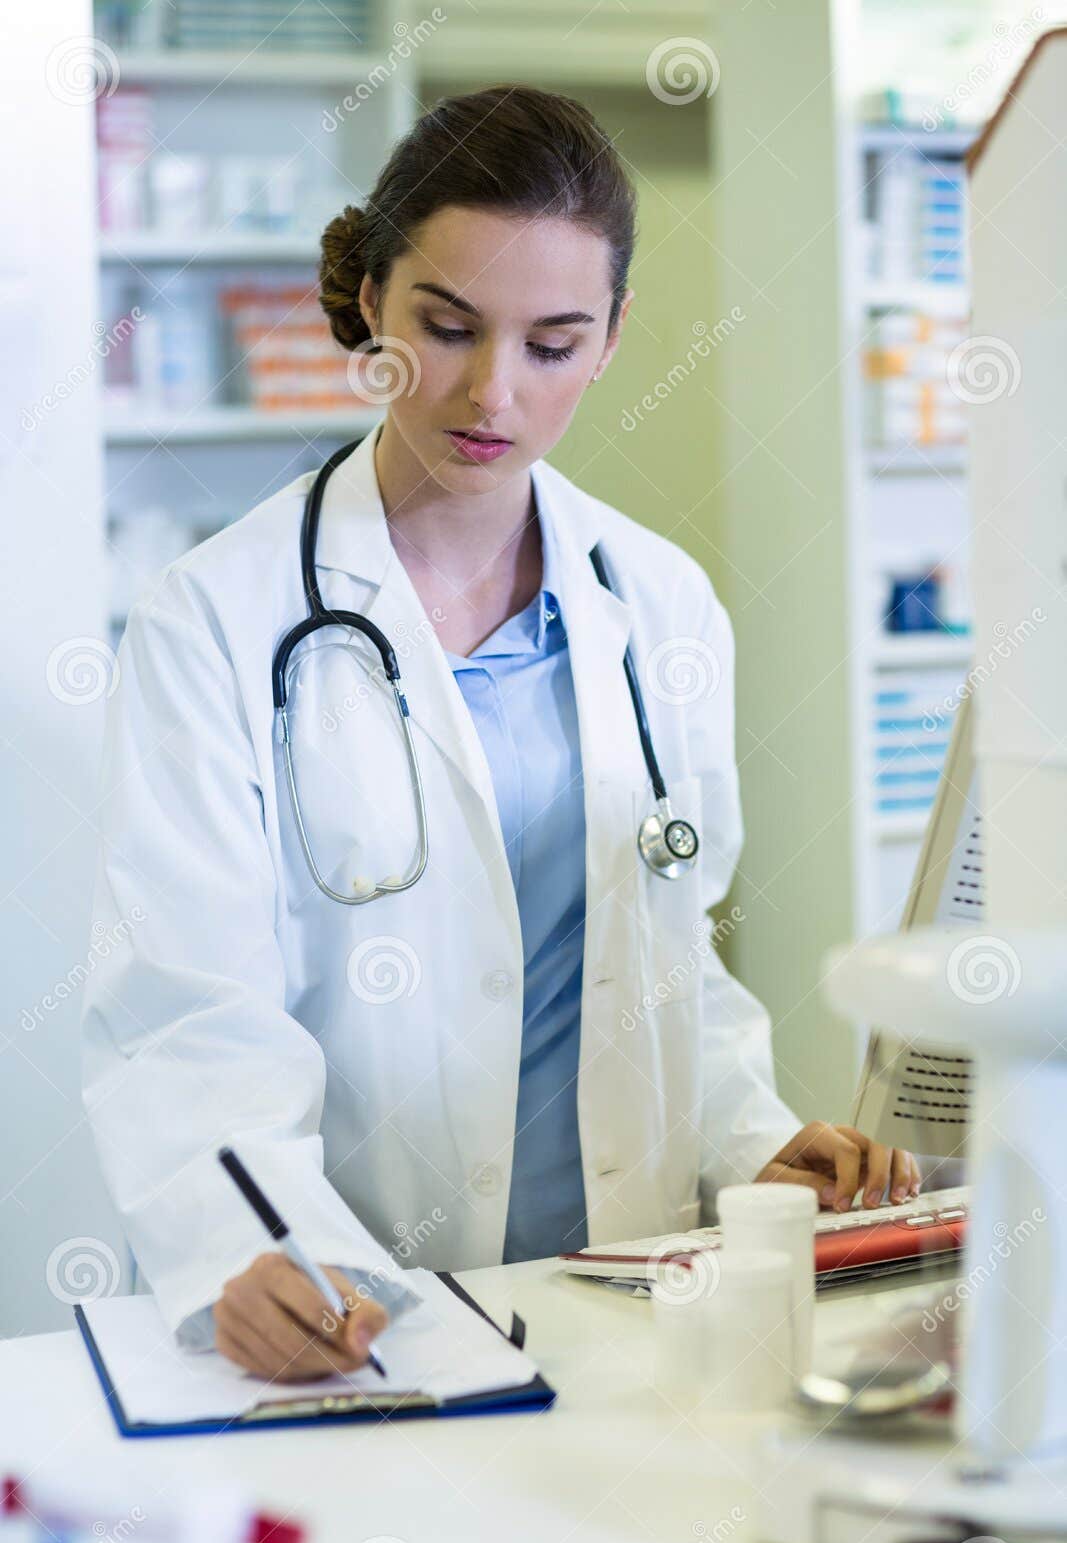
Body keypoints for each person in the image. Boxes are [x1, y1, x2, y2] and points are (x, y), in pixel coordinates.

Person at [81, 84, 919, 1385]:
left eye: (553, 342)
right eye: (449, 326)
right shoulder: (216, 621)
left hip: (622, 1296)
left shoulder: (660, 607)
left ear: (614, 337)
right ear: (370, 295)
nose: (492, 392)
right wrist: (256, 1245)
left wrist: (750, 1140)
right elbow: (189, 1007)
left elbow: (669, 948)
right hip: (353, 1316)